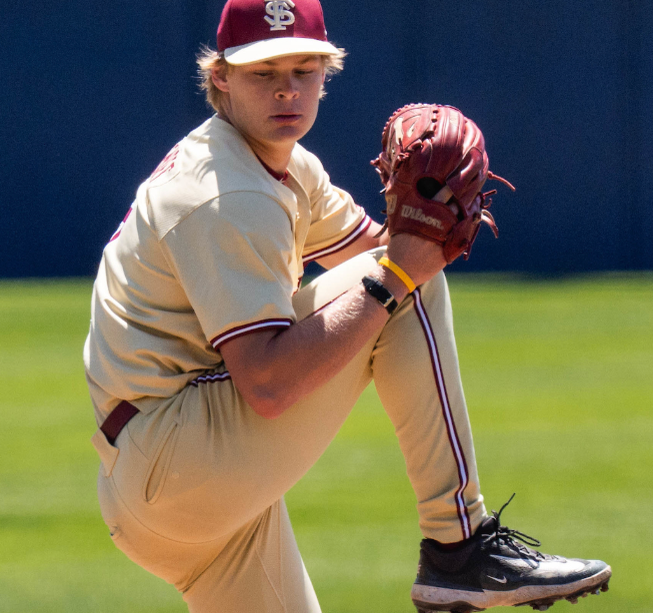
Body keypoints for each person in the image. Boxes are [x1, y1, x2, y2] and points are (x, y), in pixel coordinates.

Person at [83, 1, 611, 611]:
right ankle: (458, 545)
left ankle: (459, 552)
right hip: (176, 458)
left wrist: (431, 225)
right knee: (404, 285)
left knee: (403, 274)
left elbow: (384, 248)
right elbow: (271, 385)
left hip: (180, 488)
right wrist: (409, 264)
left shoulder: (281, 166)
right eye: (264, 72)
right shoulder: (223, 192)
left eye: (304, 71)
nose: (287, 90)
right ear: (220, 78)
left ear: (327, 73)